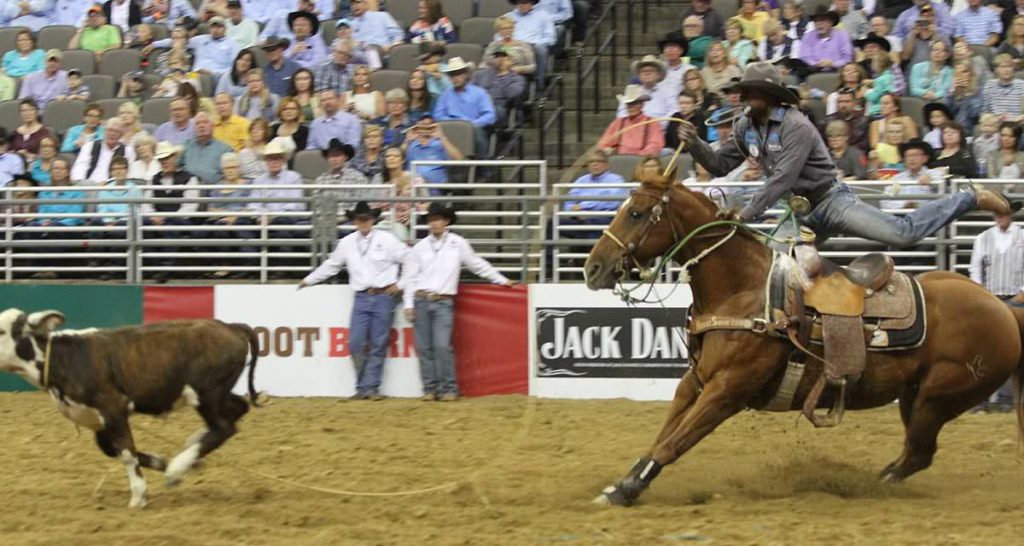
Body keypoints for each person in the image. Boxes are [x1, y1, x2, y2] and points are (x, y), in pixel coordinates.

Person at [677, 61, 1015, 249]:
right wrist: (694, 143)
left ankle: (969, 198)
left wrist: (746, 213)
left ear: (768, 95)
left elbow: (782, 179)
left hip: (832, 201)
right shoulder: (743, 127)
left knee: (903, 235)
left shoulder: (797, 125)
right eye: (743, 92)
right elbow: (719, 166)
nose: (744, 98)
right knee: (770, 263)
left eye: (750, 92)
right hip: (797, 212)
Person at [400, 202, 516, 401]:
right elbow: (410, 277)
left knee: (441, 346)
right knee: (425, 347)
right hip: (422, 299)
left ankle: (448, 388)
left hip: (442, 300)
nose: (434, 223)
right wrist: (409, 304)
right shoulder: (419, 248)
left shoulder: (457, 243)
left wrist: (501, 279)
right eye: (431, 220)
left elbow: (477, 264)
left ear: (445, 222)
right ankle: (430, 388)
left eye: (437, 219)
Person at [298, 200, 408, 400]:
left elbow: (409, 258)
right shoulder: (347, 243)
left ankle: (369, 387)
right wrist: (309, 280)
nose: (363, 222)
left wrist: (400, 284)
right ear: (355, 221)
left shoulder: (387, 240)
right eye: (360, 219)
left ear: (372, 220)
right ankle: (365, 386)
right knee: (356, 343)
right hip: (362, 296)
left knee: (377, 343)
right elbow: (332, 265)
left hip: (384, 295)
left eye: (366, 219)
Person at [969, 211, 1023, 412]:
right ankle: (980, 399)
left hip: (1015, 299)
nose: (1000, 218)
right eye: (998, 214)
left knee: (1012, 352)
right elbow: (975, 269)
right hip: (991, 300)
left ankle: (1006, 399)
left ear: (1011, 216)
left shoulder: (1022, 236)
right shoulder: (983, 238)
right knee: (983, 351)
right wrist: (980, 293)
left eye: (1004, 214)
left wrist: (1023, 291)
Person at [432, 57, 496, 158]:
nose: (455, 78)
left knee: (478, 134)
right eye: (452, 75)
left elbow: (490, 115)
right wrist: (453, 123)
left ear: (465, 74)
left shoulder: (479, 92)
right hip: (450, 130)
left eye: (458, 74)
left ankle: (485, 170)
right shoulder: (445, 95)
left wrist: (472, 124)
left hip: (473, 128)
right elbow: (438, 116)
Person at [562, 150, 628, 249]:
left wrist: (583, 207)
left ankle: (581, 256)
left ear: (606, 164)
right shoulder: (581, 181)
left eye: (598, 161)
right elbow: (568, 204)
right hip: (580, 219)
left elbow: (612, 202)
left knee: (590, 226)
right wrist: (574, 211)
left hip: (605, 219)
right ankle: (549, 263)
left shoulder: (616, 180)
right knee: (552, 223)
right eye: (591, 161)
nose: (595, 164)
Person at [144, 15, 239, 76]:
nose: (215, 29)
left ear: (225, 28)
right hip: (195, 74)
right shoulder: (201, 39)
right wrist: (155, 44)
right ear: (209, 28)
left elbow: (234, 68)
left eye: (219, 26)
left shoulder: (232, 44)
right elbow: (180, 40)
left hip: (218, 76)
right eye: (213, 26)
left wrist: (215, 73)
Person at [879, 139, 946, 210]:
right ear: (904, 160)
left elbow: (944, 194)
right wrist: (904, 205)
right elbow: (884, 202)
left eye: (915, 155)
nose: (912, 159)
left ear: (925, 158)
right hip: (902, 216)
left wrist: (932, 182)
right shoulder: (897, 178)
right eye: (908, 156)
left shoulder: (934, 174)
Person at [598, 85, 665, 157]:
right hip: (620, 160)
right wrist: (608, 150)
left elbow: (655, 145)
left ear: (641, 104)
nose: (630, 107)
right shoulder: (618, 123)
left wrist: (638, 155)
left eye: (634, 103)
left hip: (642, 160)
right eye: (628, 104)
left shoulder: (652, 123)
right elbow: (603, 144)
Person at [403, 116, 464, 192]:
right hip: (412, 188)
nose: (425, 128)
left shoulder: (440, 143)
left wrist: (442, 137)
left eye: (428, 125)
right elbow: (397, 157)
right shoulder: (411, 144)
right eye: (422, 125)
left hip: (435, 188)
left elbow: (459, 158)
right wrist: (407, 141)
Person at [507, 0, 557, 91]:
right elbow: (498, 37)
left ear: (532, 3)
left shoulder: (543, 16)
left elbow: (550, 38)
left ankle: (539, 84)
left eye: (526, 2)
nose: (522, 5)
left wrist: (536, 43)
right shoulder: (508, 17)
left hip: (533, 46)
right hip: (513, 46)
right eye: (520, 3)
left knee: (541, 49)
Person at [471, 48, 527, 128]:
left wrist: (505, 73)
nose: (500, 59)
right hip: (478, 106)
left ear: (511, 61)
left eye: (504, 56)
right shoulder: (480, 74)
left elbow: (512, 94)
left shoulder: (517, 79)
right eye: (497, 56)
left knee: (494, 111)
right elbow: (469, 91)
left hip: (499, 107)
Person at [71, 118, 135, 184]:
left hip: (113, 187)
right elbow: (79, 168)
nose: (112, 133)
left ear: (121, 134)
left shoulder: (128, 151)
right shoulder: (89, 146)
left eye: (116, 131)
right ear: (104, 131)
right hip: (89, 186)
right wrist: (82, 184)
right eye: (110, 130)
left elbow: (130, 174)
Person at [182, 112, 233, 184]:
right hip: (188, 189)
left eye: (205, 122)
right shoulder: (187, 146)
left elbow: (231, 174)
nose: (201, 126)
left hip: (214, 191)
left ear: (213, 126)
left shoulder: (225, 149)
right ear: (193, 128)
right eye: (197, 123)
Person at [799, 7, 853, 73]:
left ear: (831, 22)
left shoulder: (842, 35)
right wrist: (816, 64)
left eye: (822, 20)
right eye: (816, 21)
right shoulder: (808, 36)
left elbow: (848, 57)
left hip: (838, 72)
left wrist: (833, 64)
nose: (819, 23)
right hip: (814, 73)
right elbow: (805, 57)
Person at [900, 3, 951, 68]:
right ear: (919, 18)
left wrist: (934, 34)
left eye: (929, 16)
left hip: (936, 71)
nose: (926, 18)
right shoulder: (911, 35)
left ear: (934, 19)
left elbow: (946, 57)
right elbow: (905, 57)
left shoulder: (943, 36)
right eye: (923, 15)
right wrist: (912, 35)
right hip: (913, 72)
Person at [818, 88, 868, 153]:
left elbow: (865, 144)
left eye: (847, 101)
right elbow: (820, 143)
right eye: (840, 102)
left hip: (856, 156)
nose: (843, 105)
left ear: (854, 103)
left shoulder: (863, 120)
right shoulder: (827, 121)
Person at [982, 54, 1024, 120]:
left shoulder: (1021, 85)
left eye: (1009, 66)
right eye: (1003, 67)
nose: (1006, 70)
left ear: (1013, 68)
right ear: (996, 70)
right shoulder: (989, 85)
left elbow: (1023, 112)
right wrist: (995, 118)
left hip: (1016, 124)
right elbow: (985, 111)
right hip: (995, 124)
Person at [946, 61, 982, 137]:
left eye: (964, 72)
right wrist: (952, 92)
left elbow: (974, 114)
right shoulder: (951, 91)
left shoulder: (978, 91)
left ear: (971, 73)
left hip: (970, 128)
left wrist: (967, 95)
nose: (961, 75)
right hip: (954, 128)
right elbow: (948, 113)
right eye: (957, 73)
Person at [11, 99, 53, 163]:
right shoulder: (15, 133)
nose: (27, 113)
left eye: (30, 110)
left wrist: (28, 155)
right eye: (23, 111)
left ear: (36, 111)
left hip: (36, 166)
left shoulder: (45, 132)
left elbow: (48, 155)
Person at [862, 53, 896, 117]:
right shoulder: (891, 76)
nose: (872, 65)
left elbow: (873, 98)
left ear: (878, 65)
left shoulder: (880, 80)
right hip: (891, 107)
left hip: (879, 110)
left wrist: (865, 92)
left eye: (873, 63)